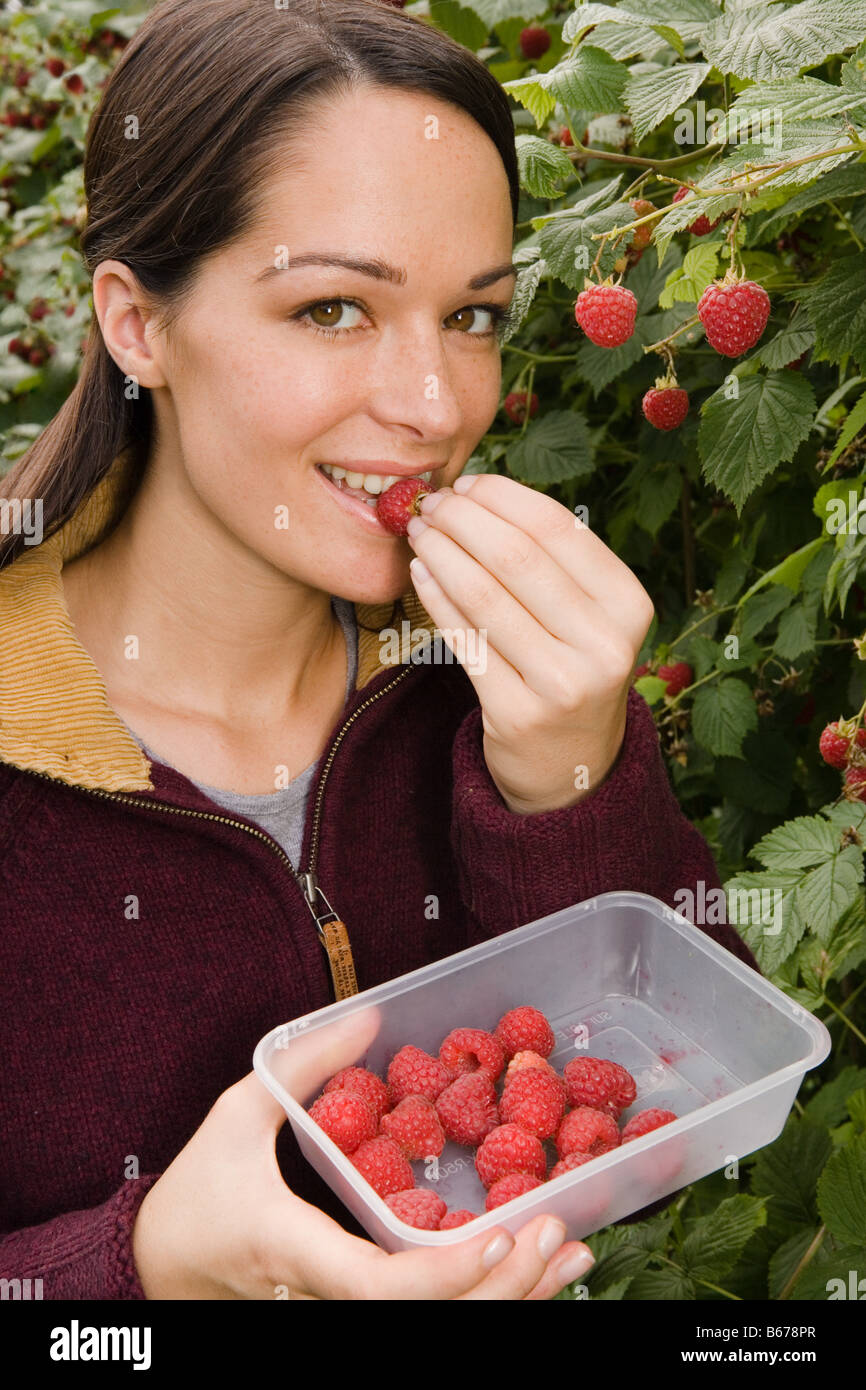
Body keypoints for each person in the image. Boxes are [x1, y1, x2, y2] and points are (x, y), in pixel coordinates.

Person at [0, 0, 759, 1301]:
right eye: (335, 309)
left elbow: (675, 1104)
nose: (432, 406)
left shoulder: (484, 672)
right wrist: (143, 1272)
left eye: (471, 317)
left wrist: (567, 783)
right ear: (136, 326)